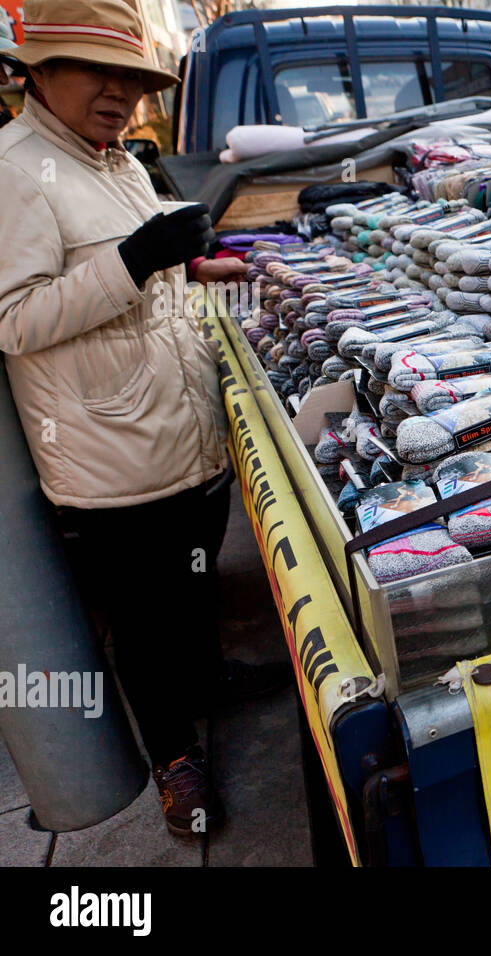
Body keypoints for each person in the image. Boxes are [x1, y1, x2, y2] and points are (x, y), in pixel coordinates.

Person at [0, 0, 288, 838]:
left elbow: (146, 288)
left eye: (132, 77)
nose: (120, 93)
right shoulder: (15, 170)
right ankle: (173, 757)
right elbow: (13, 318)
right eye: (100, 72)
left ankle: (207, 680)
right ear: (39, 72)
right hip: (108, 453)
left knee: (193, 586)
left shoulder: (116, 161)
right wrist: (136, 259)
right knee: (143, 619)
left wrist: (197, 268)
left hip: (179, 427)